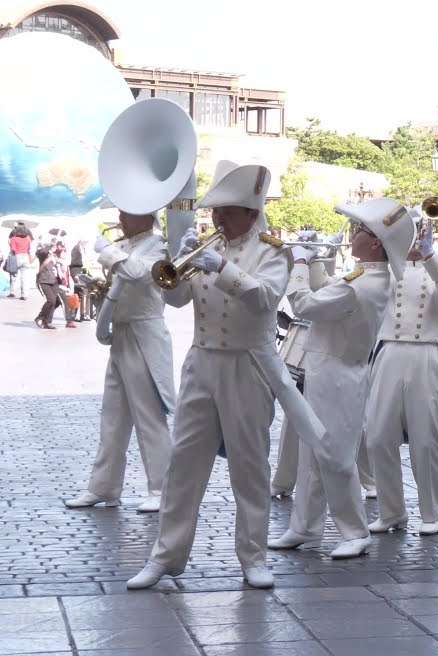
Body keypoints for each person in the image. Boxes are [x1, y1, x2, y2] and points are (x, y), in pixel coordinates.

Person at [128, 164, 328, 590]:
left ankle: (253, 557)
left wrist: (220, 267)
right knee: (183, 463)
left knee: (249, 464)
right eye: (217, 211)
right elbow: (178, 299)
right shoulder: (203, 247)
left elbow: (265, 299)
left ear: (252, 214)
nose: (218, 220)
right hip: (202, 362)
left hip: (248, 365)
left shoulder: (273, 251)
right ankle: (165, 556)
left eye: (229, 213)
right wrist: (174, 264)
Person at [269, 198, 410, 560]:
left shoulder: (361, 285)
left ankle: (354, 531)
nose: (353, 234)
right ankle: (304, 526)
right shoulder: (364, 276)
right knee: (311, 453)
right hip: (328, 369)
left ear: (376, 242)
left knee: (333, 455)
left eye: (360, 230)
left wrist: (299, 261)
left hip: (338, 373)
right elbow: (326, 288)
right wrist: (318, 258)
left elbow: (304, 303)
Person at [63, 212, 175, 513]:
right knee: (112, 418)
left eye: (127, 213)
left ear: (145, 216)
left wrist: (107, 251)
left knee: (149, 418)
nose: (121, 218)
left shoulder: (159, 247)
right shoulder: (124, 245)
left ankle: (161, 489)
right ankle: (104, 487)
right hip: (123, 334)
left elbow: (139, 274)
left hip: (145, 334)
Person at [365, 227, 438, 536]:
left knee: (425, 439)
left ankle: (430, 512)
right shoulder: (388, 269)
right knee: (378, 436)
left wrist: (430, 255)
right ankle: (392, 511)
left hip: (427, 353)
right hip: (389, 352)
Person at [33, 248, 60, 329]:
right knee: (51, 300)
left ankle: (47, 321)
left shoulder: (55, 256)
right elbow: (40, 252)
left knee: (56, 301)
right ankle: (40, 317)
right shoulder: (43, 255)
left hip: (54, 281)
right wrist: (49, 249)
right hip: (44, 280)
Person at [7, 223, 33, 300]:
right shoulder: (28, 237)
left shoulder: (14, 238)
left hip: (16, 257)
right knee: (24, 278)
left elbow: (13, 249)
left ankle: (12, 292)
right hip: (25, 257)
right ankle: (24, 295)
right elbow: (30, 247)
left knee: (13, 275)